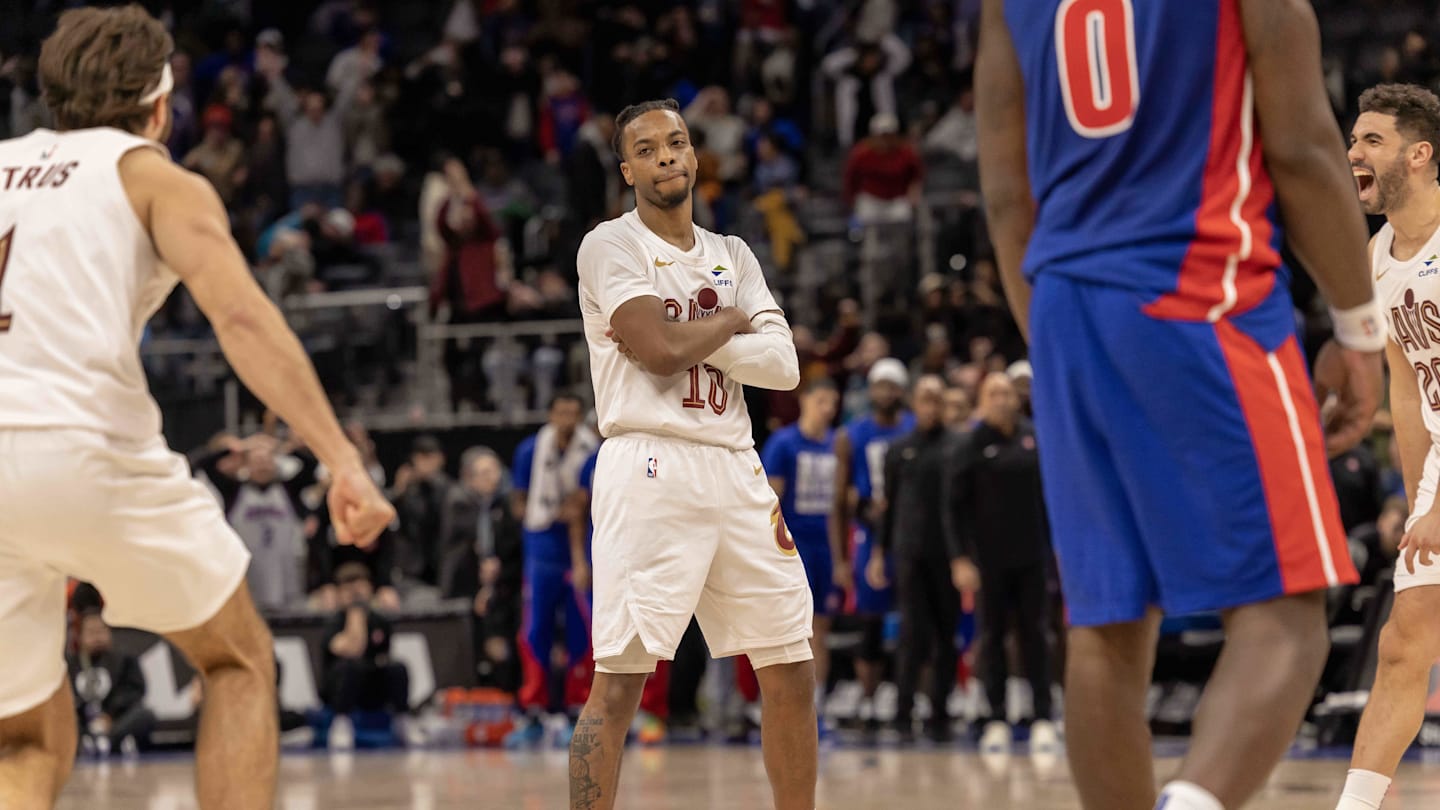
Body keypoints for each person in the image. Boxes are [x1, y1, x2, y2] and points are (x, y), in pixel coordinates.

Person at [977, 1, 1385, 808]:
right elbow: (1302, 149)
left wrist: (1059, 332)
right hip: (1202, 286)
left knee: (1109, 626)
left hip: (1060, 299)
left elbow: (1002, 195)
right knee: (1288, 609)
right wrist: (1357, 326)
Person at [0, 7, 394, 809]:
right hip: (78, 445)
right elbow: (243, 319)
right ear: (159, 105)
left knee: (26, 736)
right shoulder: (152, 175)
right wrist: (341, 459)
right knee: (237, 659)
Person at [571, 98, 811, 810]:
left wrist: (708, 332)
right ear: (628, 170)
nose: (665, 155)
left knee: (792, 663)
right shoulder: (609, 245)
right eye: (647, 149)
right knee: (620, 683)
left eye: (675, 142)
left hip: (737, 465)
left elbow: (786, 366)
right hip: (650, 464)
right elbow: (657, 351)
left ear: (694, 155)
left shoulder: (732, 253)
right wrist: (734, 320)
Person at [1338, 83, 1440, 810]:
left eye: (1371, 140)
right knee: (1404, 643)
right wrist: (1417, 498)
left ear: (1419, 153)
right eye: (1352, 140)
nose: (1353, 153)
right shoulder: (1378, 255)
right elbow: (1406, 388)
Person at [868, 375, 979, 743]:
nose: (931, 406)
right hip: (909, 553)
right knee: (912, 634)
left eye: (936, 399)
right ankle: (902, 712)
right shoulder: (898, 449)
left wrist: (965, 555)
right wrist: (880, 553)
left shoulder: (958, 447)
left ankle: (940, 712)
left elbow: (964, 507)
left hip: (947, 556)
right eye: (925, 399)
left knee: (946, 636)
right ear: (914, 403)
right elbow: (889, 507)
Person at [952, 373, 1057, 755]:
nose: (1000, 398)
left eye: (1006, 392)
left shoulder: (1034, 437)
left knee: (1036, 636)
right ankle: (996, 718)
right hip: (988, 562)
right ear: (981, 399)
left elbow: (1051, 499)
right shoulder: (972, 443)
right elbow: (954, 506)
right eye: (992, 392)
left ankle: (1043, 716)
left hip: (1032, 556)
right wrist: (960, 557)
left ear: (1017, 398)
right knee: (992, 637)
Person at [830, 357, 914, 736]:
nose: (886, 393)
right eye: (880, 385)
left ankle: (909, 697)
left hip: (911, 528)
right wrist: (841, 558)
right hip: (868, 528)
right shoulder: (852, 434)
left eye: (893, 386)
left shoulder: (914, 427)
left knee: (917, 618)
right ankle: (868, 697)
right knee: (870, 619)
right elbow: (838, 499)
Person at [510, 394, 600, 739]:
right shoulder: (530, 450)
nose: (567, 418)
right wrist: (544, 513)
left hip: (579, 547)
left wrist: (574, 510)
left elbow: (586, 504)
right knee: (536, 630)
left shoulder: (591, 451)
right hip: (542, 546)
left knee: (582, 628)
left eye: (573, 413)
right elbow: (519, 498)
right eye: (561, 411)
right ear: (550, 414)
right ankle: (533, 708)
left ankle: (578, 705)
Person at [762, 379, 842, 730]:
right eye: (822, 398)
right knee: (793, 630)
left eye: (833, 400)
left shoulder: (837, 444)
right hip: (794, 546)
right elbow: (769, 500)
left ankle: (816, 707)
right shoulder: (784, 443)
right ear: (805, 400)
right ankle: (782, 708)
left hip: (827, 545)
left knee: (820, 628)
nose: (828, 407)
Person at [322, 562, 410, 750]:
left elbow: (385, 654)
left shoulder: (380, 621)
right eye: (349, 590)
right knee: (349, 667)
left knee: (397, 667)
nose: (356, 595)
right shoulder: (333, 622)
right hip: (342, 689)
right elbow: (351, 649)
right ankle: (341, 723)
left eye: (360, 588)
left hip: (372, 685)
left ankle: (403, 720)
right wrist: (356, 616)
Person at [68, 609, 155, 757]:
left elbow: (134, 691)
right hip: (83, 723)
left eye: (101, 631)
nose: (97, 637)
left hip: (115, 721)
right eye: (91, 632)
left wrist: (110, 714)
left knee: (145, 715)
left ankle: (107, 742)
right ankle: (86, 743)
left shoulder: (124, 660)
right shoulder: (70, 664)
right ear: (80, 636)